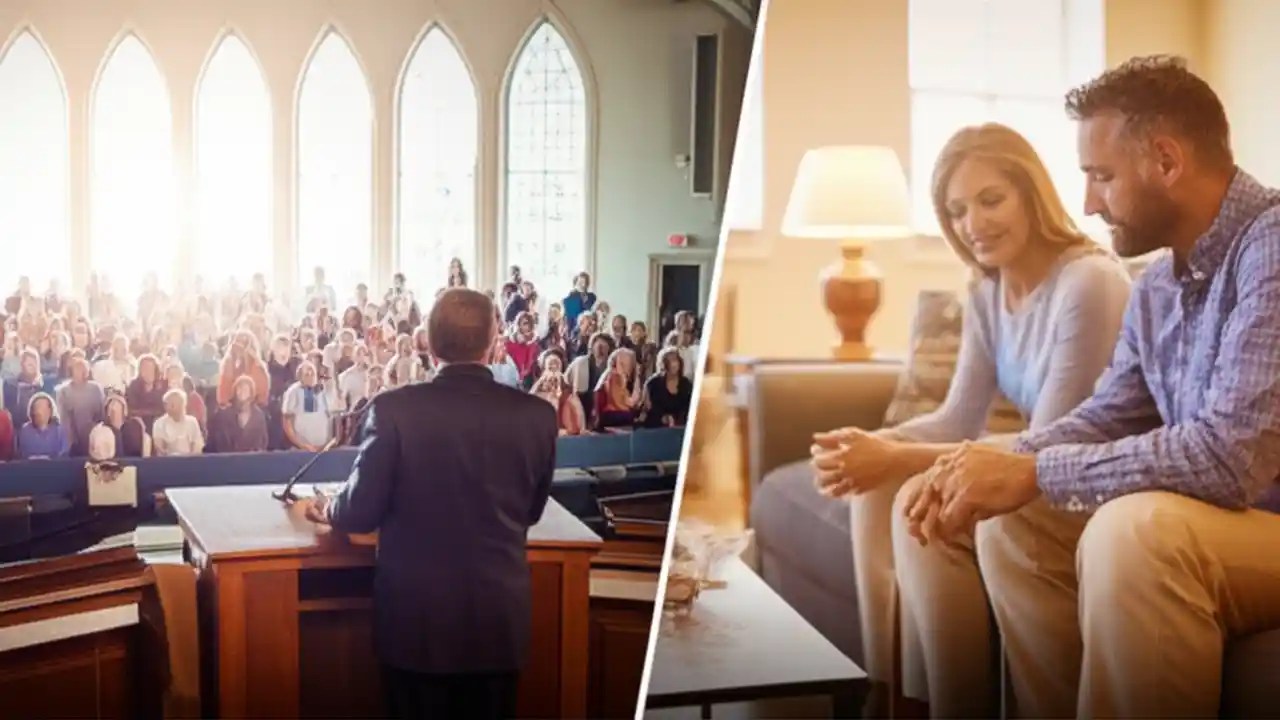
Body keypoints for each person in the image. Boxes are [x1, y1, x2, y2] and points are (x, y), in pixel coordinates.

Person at [897, 55, 1280, 719]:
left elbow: (1230, 457)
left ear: (1166, 161)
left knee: (1135, 532)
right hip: (1234, 521)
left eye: (1102, 176)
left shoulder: (1270, 250)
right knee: (1010, 518)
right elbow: (1107, 415)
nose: (1088, 203)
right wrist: (996, 464)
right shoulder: (1158, 287)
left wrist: (1037, 471)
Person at [810, 122, 1132, 717]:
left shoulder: (1089, 281)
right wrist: (869, 445)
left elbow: (1051, 442)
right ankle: (885, 693)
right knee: (882, 485)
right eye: (957, 211)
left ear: (1031, 194)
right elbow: (958, 417)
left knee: (918, 492)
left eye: (990, 200)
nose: (972, 224)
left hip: (1089, 481)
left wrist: (894, 456)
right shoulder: (987, 288)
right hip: (1036, 466)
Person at [305, 288, 557, 720]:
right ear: (494, 342)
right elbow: (531, 511)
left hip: (415, 625)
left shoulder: (393, 410)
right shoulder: (537, 415)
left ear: (429, 343)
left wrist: (328, 507)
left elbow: (359, 512)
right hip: (496, 624)